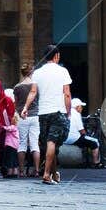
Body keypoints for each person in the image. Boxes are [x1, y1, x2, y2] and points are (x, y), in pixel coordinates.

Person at [31, 46, 72, 184]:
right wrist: (69, 111)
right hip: (57, 111)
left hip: (43, 112)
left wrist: (25, 107)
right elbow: (67, 93)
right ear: (56, 56)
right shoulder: (62, 71)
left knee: (50, 143)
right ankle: (47, 174)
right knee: (52, 142)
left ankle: (54, 174)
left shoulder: (37, 72)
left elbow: (33, 92)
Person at [13, 63, 38, 177]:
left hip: (22, 117)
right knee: (34, 144)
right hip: (35, 115)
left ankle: (21, 170)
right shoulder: (35, 85)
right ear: (31, 72)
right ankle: (37, 170)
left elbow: (16, 103)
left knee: (22, 143)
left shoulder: (18, 87)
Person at [66, 97, 101, 167]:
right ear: (77, 107)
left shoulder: (68, 112)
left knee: (85, 141)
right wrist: (86, 135)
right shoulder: (76, 114)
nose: (81, 108)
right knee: (94, 142)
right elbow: (81, 130)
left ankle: (85, 159)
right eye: (81, 107)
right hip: (73, 138)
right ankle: (96, 163)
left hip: (65, 138)